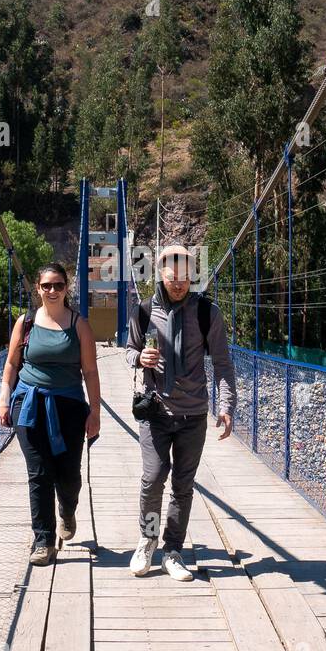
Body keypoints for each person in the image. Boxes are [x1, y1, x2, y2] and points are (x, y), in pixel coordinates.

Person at [125, 245, 236, 581]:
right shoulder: (143, 311)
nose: (178, 285)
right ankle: (148, 539)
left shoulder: (207, 313)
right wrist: (138, 359)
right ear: (161, 275)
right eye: (173, 278)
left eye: (185, 279)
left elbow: (222, 363)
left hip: (193, 414)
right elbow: (128, 351)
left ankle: (172, 551)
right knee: (153, 477)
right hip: (156, 410)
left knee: (183, 485)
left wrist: (227, 405)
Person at [0, 262, 101, 566]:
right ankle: (43, 540)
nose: (53, 291)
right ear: (38, 289)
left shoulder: (78, 325)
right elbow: (11, 365)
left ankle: (67, 509)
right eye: (47, 286)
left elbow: (91, 371)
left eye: (58, 285)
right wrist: (4, 402)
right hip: (28, 404)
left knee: (68, 475)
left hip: (69, 406)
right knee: (39, 473)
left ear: (66, 288)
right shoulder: (25, 323)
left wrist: (94, 411)